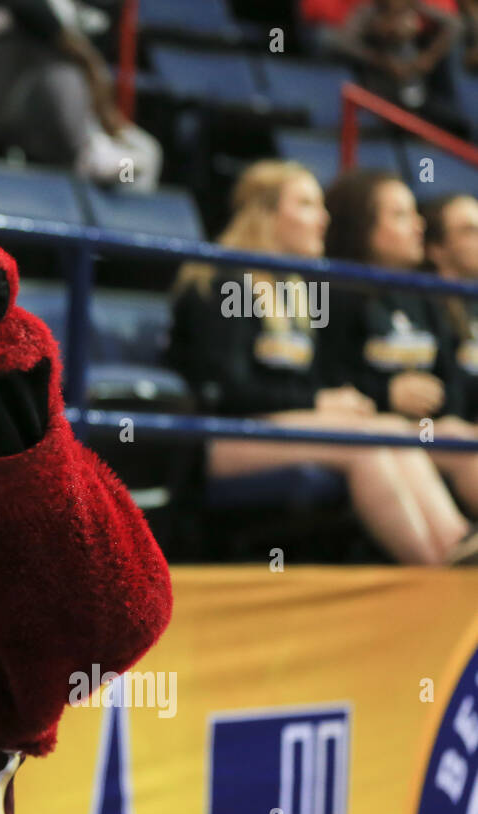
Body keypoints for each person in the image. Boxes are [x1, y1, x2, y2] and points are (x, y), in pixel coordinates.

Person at [170, 160, 478, 564]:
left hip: (280, 426)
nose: (324, 219)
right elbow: (225, 390)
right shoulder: (225, 281)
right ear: (266, 213)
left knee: (385, 429)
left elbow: (312, 377)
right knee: (364, 443)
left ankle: (454, 545)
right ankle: (438, 565)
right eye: (307, 205)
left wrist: (330, 401)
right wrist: (318, 404)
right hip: (217, 436)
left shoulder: (299, 288)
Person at [321, 169, 478, 520]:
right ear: (363, 224)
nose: (418, 225)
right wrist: (385, 393)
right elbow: (326, 378)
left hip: (425, 429)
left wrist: (435, 401)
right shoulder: (334, 294)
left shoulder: (423, 294)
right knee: (458, 440)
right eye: (400, 214)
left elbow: (451, 381)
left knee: (462, 434)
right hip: (368, 428)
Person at [0, 0, 162, 191]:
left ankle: (116, 241)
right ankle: (88, 149)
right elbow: (31, 11)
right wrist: (86, 60)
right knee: (40, 42)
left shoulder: (95, 12)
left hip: (24, 115)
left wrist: (105, 114)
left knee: (147, 153)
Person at [330, 0, 463, 131]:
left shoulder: (417, 8)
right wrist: (381, 61)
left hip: (416, 84)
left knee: (457, 124)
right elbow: (342, 42)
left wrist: (428, 58)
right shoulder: (368, 12)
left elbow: (455, 25)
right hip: (381, 85)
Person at [421, 192, 478, 492]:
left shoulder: (473, 304)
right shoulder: (424, 307)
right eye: (470, 230)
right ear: (437, 249)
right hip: (441, 430)